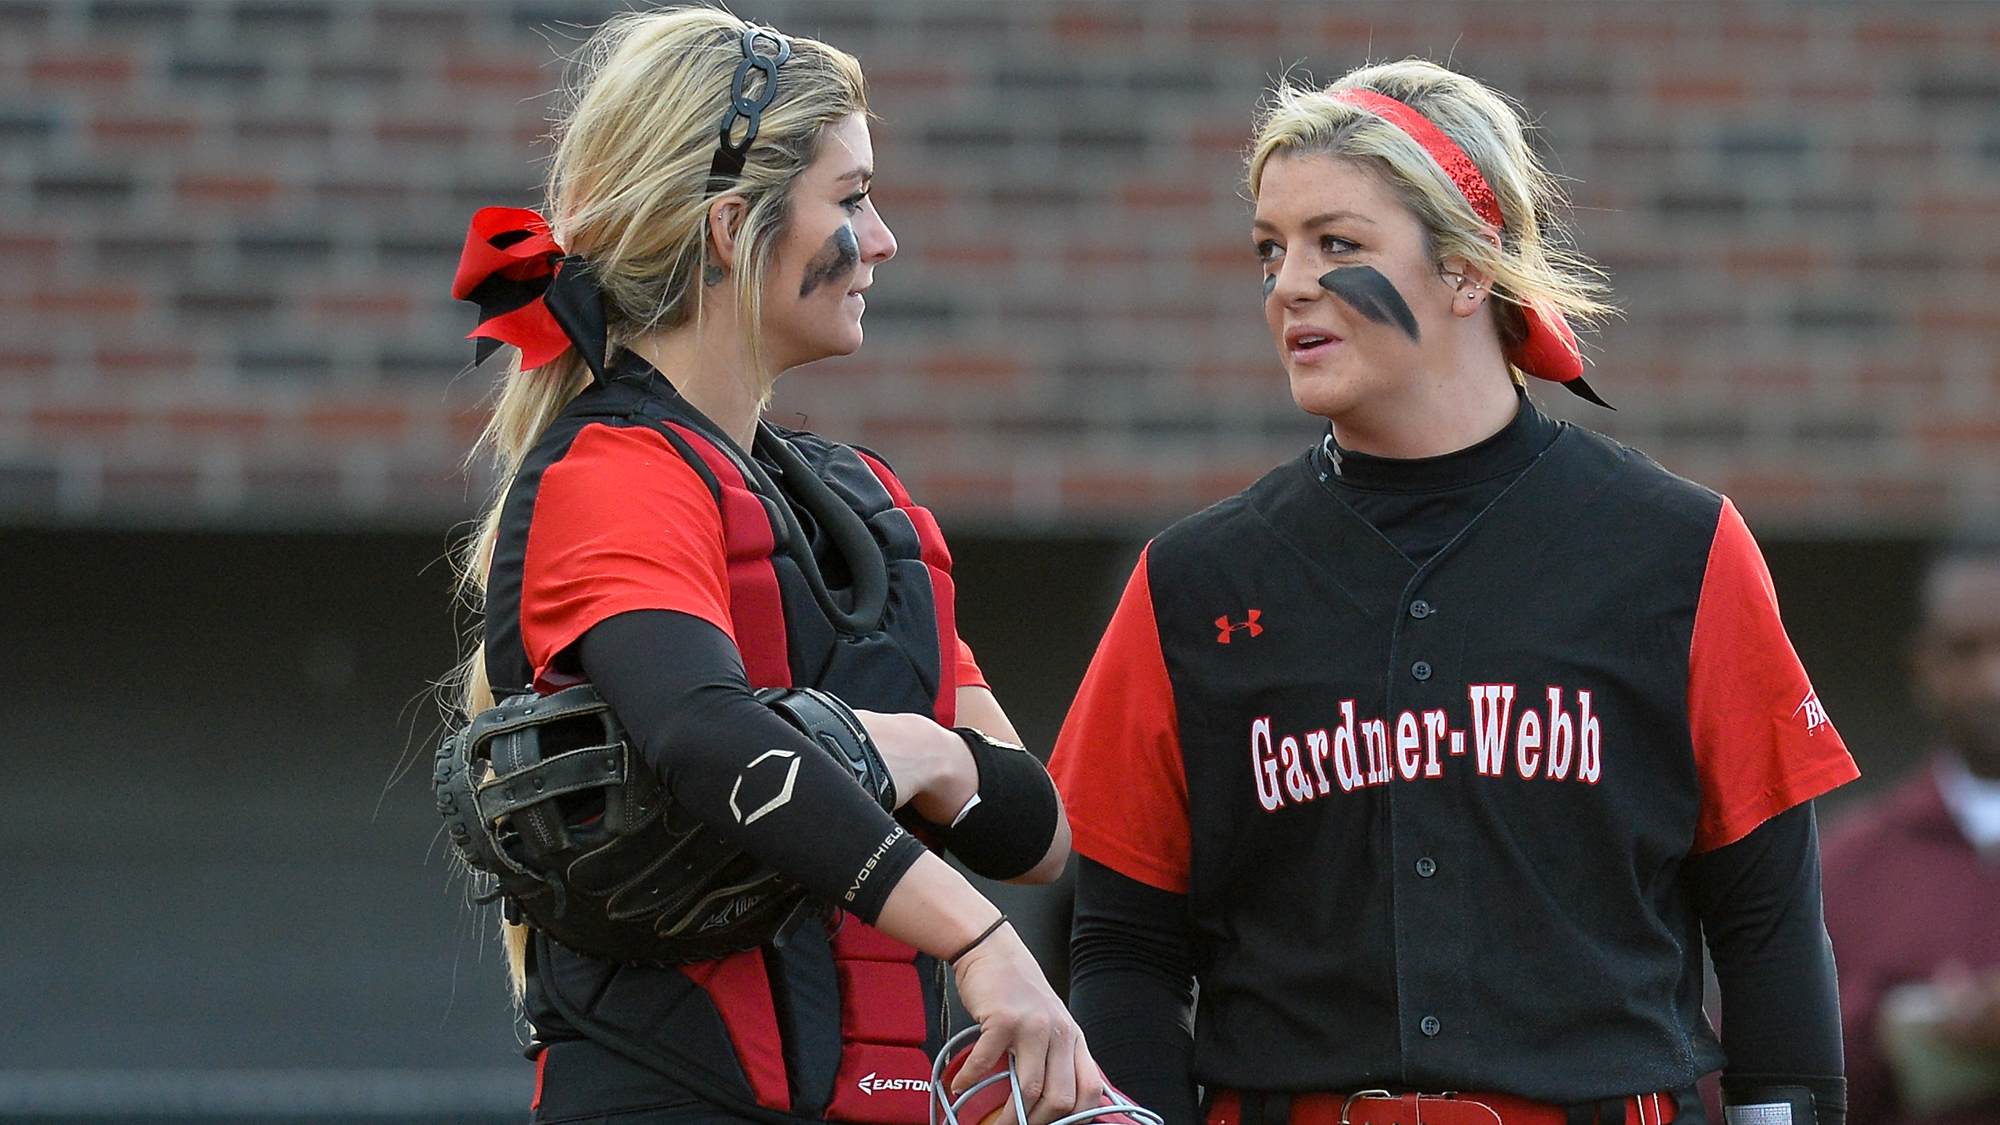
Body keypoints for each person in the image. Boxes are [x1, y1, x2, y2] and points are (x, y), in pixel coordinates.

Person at [1047, 59, 1862, 1125]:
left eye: (1336, 244)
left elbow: (1765, 923)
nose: (1286, 283)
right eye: (1268, 249)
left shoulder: (1676, 547)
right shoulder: (1190, 581)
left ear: (1467, 270)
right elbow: (1120, 945)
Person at [447, 10, 1099, 1124]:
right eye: (849, 199)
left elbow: (1038, 829)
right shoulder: (612, 471)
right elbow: (705, 733)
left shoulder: (862, 506)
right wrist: (978, 938)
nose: (882, 239)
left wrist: (919, 749)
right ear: (731, 227)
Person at [1824, 548, 2000, 1125]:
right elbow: (1752, 1079)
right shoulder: (1849, 866)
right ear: (1923, 667)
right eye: (1965, 650)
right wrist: (1894, 1026)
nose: (1992, 681)